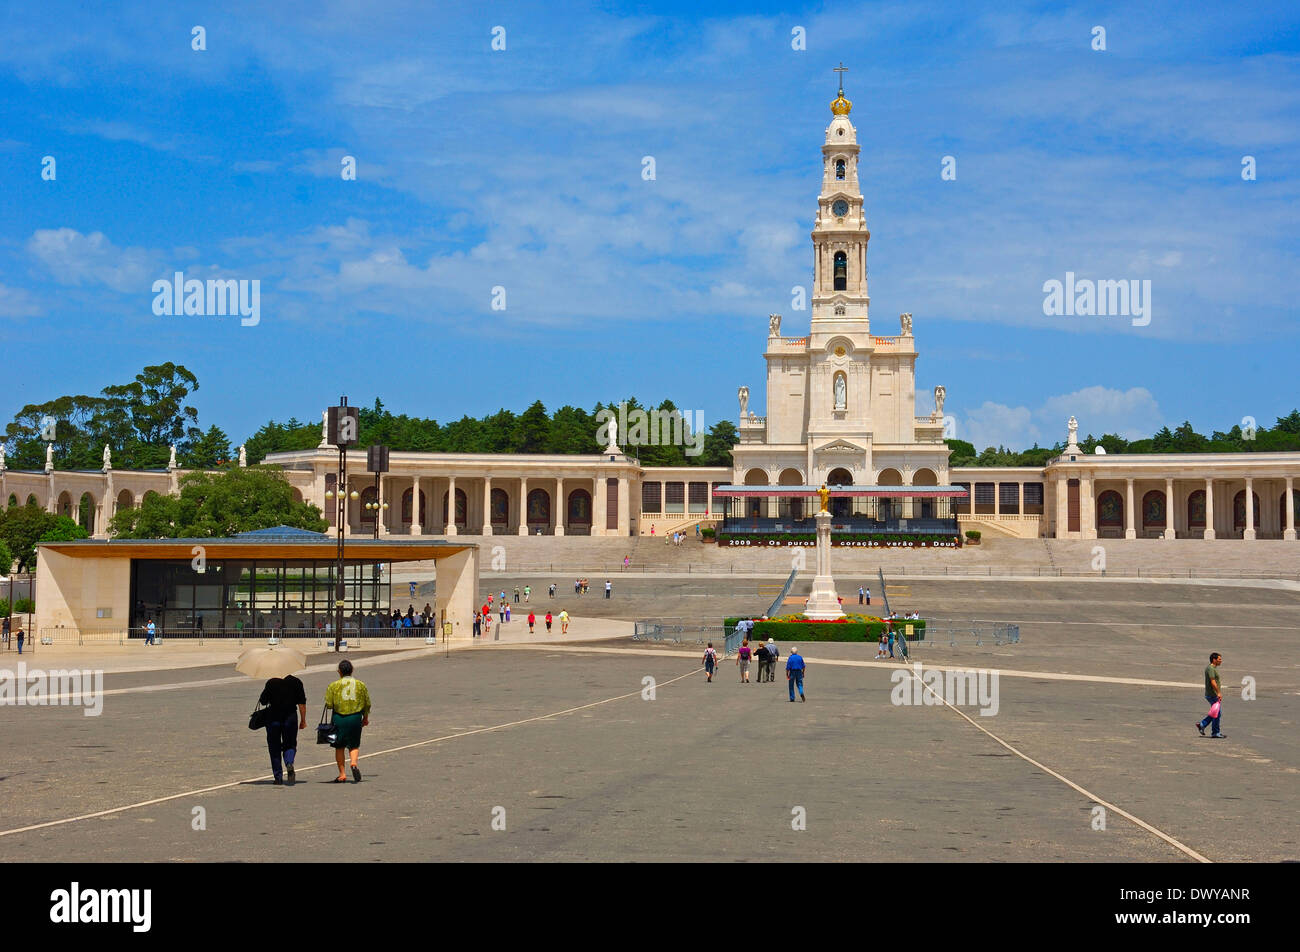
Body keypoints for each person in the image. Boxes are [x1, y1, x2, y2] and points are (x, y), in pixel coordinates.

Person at [324, 659, 371, 783]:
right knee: (354, 745)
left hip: (339, 718)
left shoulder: (333, 685)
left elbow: (329, 704)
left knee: (339, 746)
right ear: (352, 670)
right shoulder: (360, 684)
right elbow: (367, 703)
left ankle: (342, 774)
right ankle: (354, 763)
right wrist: (365, 718)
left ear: (339, 671)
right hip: (355, 717)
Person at [259, 673, 307, 785]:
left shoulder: (271, 682)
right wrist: (303, 720)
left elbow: (263, 701)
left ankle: (278, 777)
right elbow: (302, 703)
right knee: (290, 744)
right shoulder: (296, 682)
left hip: (273, 718)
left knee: (274, 747)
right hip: (290, 716)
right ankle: (289, 763)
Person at [1197, 652, 1226, 738]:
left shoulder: (1213, 668)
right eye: (1219, 659)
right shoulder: (1210, 669)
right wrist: (1218, 693)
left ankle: (1202, 724)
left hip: (1213, 694)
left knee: (1215, 712)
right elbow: (1213, 682)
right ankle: (1215, 732)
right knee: (1217, 713)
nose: (1221, 661)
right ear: (1214, 660)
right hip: (1212, 695)